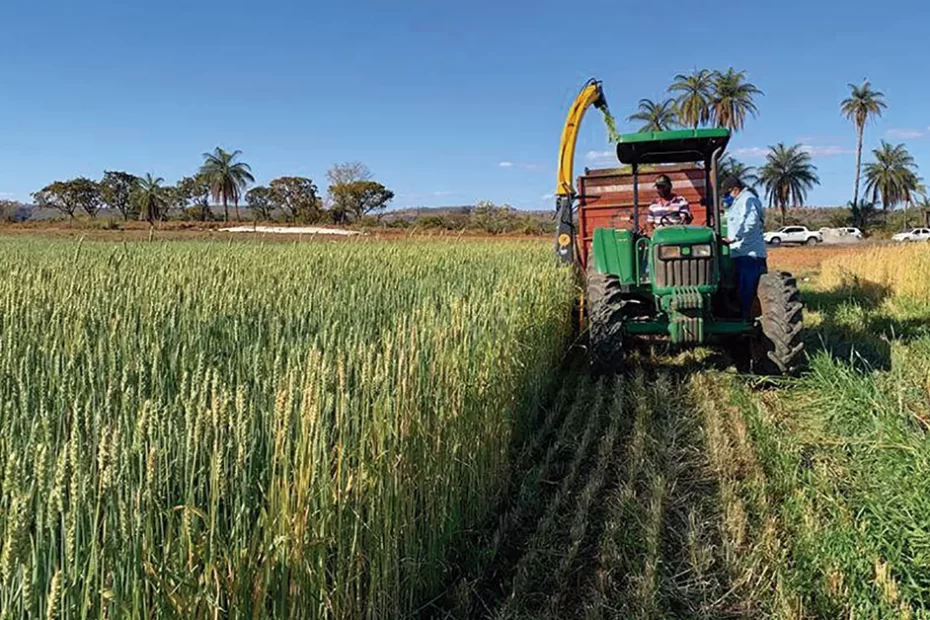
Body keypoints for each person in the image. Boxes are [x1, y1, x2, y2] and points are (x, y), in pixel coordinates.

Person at [720, 176, 767, 319]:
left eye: (727, 193)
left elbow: (750, 223)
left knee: (747, 291)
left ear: (735, 190)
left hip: (749, 254)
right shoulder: (738, 202)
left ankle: (746, 320)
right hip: (739, 252)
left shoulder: (748, 200)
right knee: (737, 289)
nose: (726, 197)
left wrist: (734, 238)